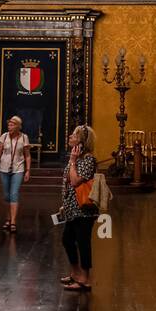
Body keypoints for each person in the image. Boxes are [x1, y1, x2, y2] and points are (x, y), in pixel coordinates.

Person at [60, 125, 98, 292]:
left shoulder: (88, 159)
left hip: (84, 209)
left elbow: (75, 182)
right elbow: (68, 184)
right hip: (72, 207)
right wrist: (65, 203)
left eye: (74, 135)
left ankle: (85, 279)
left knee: (83, 242)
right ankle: (75, 273)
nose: (70, 136)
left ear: (81, 141)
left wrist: (73, 161)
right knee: (67, 239)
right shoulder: (74, 157)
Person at [0, 115, 31, 234]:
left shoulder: (24, 138)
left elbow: (27, 155)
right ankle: (8, 218)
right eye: (9, 124)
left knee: (14, 193)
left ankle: (13, 222)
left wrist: (28, 170)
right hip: (4, 169)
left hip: (18, 169)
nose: (9, 126)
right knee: (6, 195)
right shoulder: (4, 136)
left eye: (12, 124)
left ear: (18, 126)